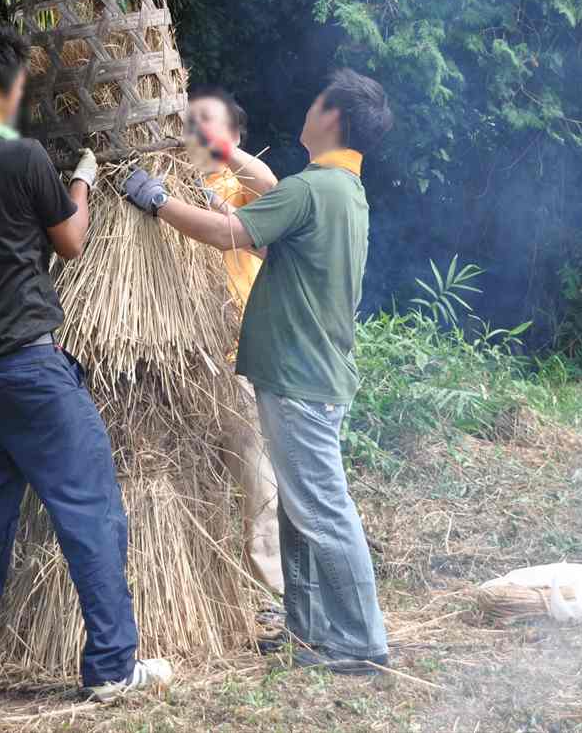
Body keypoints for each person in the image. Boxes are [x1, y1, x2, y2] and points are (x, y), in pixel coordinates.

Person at [0, 24, 171, 704]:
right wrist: (82, 182)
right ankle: (115, 665)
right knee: (91, 511)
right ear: (2, 94)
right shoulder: (25, 159)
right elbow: (70, 242)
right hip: (33, 367)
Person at [122, 69, 394, 674]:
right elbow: (270, 245)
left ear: (332, 119)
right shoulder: (343, 191)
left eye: (316, 101)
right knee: (303, 508)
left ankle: (361, 643)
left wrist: (159, 200)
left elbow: (229, 235)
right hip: (304, 373)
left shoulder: (313, 187)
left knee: (323, 509)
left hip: (301, 377)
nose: (308, 108)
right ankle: (308, 630)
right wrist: (214, 165)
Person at [184, 88, 286, 598]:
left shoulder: (238, 184)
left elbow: (271, 187)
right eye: (190, 121)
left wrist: (220, 153)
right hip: (180, 357)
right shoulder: (164, 187)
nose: (196, 131)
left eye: (210, 123)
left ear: (236, 136)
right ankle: (211, 592)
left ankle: (273, 596)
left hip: (234, 353)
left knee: (255, 478)